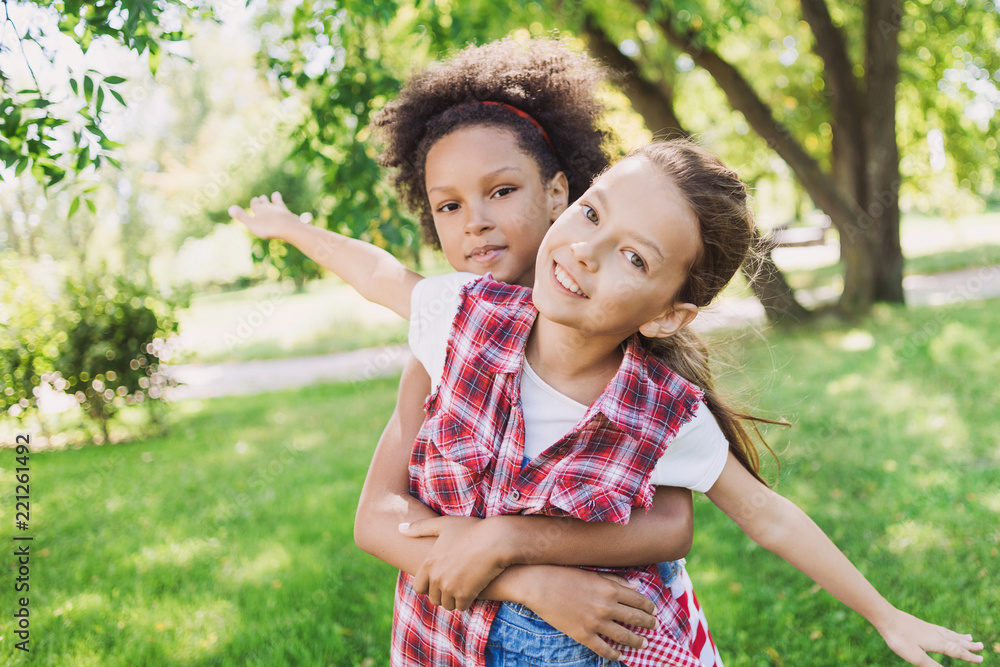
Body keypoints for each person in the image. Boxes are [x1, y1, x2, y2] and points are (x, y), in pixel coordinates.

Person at [232, 138, 984, 667]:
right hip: (446, 642)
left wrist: (883, 612)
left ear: (665, 314)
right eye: (593, 213)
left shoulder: (663, 410)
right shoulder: (465, 317)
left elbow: (766, 513)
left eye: (633, 257)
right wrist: (293, 230)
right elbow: (380, 273)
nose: (586, 251)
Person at [231, 38, 723, 664]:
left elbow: (669, 524)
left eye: (501, 191)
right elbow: (379, 516)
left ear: (558, 194)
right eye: (449, 205)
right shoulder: (443, 345)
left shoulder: (626, 343)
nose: (475, 223)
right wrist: (528, 580)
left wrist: (513, 539)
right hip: (453, 635)